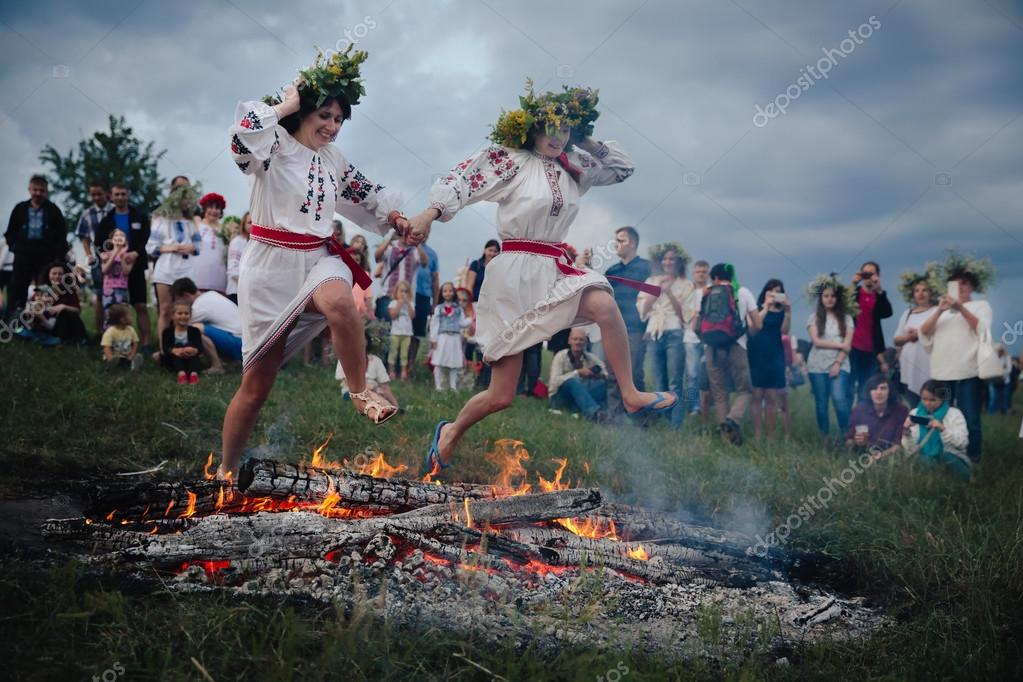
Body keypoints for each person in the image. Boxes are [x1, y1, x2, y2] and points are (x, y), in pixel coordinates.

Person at [407, 81, 676, 472]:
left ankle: (631, 394)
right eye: (551, 127)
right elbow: (462, 181)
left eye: (565, 129)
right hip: (513, 275)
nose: (557, 137)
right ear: (532, 127)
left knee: (603, 303)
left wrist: (584, 137)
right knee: (501, 395)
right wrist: (428, 215)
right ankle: (449, 431)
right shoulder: (509, 160)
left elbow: (623, 167)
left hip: (552, 268)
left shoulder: (573, 167)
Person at [218, 48, 409, 480]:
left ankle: (360, 392)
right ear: (304, 111)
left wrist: (396, 218)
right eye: (324, 114)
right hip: (269, 269)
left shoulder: (333, 160)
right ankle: (225, 472)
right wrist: (287, 103)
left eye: (339, 120)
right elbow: (241, 134)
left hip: (319, 257)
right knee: (255, 389)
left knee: (342, 305)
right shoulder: (272, 147)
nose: (332, 126)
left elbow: (365, 192)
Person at [918, 269, 993, 460]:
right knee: (939, 416)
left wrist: (960, 307)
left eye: (964, 283)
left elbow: (982, 330)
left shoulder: (980, 305)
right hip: (941, 373)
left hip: (968, 372)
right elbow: (924, 333)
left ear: (972, 286)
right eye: (955, 284)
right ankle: (941, 456)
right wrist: (940, 310)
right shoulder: (940, 310)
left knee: (970, 419)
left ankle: (972, 460)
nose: (960, 287)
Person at [699, 263, 761, 445]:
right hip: (737, 346)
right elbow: (757, 324)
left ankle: (726, 438)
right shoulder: (743, 292)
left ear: (715, 278)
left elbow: (697, 323)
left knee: (719, 392)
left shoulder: (706, 293)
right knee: (745, 389)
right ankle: (732, 419)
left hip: (711, 347)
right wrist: (746, 334)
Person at [636, 242, 693, 429]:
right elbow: (642, 311)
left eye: (672, 259)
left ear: (679, 262)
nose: (668, 262)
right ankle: (663, 422)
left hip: (675, 332)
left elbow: (684, 315)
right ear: (660, 261)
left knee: (675, 381)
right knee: (659, 381)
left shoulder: (686, 285)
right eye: (665, 259)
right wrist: (657, 291)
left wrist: (669, 292)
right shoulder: (651, 281)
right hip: (654, 332)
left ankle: (675, 426)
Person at [95, 183, 152, 348]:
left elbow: (146, 238)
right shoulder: (107, 220)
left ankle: (146, 342)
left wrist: (135, 253)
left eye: (123, 194)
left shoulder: (140, 216)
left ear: (128, 194)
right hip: (114, 272)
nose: (120, 197)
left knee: (140, 304)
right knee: (113, 307)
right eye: (117, 194)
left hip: (136, 265)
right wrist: (106, 255)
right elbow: (99, 244)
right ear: (111, 197)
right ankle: (110, 341)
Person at [147, 182, 202, 343]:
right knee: (165, 310)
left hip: (186, 269)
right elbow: (150, 247)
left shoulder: (191, 222)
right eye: (183, 199)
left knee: (185, 309)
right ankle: (165, 349)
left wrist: (191, 247)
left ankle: (186, 347)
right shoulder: (162, 221)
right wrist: (168, 248)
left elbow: (199, 245)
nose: (185, 202)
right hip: (166, 269)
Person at [5, 175, 67, 316]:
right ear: (29, 190)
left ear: (46, 191)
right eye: (35, 190)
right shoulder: (20, 208)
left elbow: (61, 236)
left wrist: (57, 258)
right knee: (17, 287)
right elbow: (10, 232)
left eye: (41, 190)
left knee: (44, 288)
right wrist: (14, 247)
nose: (38, 193)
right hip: (23, 253)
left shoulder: (53, 210)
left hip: (45, 255)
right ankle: (13, 319)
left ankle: (45, 320)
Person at [806, 275, 855, 439]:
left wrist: (837, 363)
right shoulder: (814, 318)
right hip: (817, 365)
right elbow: (816, 341)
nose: (829, 299)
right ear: (821, 298)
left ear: (837, 298)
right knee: (821, 403)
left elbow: (847, 345)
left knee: (840, 399)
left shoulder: (847, 319)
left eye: (833, 296)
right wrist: (840, 344)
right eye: (826, 296)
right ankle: (825, 436)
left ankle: (846, 434)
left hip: (839, 365)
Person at [607, 226, 651, 391]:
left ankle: (638, 414)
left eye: (621, 241)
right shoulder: (612, 271)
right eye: (616, 240)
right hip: (614, 330)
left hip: (636, 330)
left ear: (632, 243)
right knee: (613, 373)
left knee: (634, 373)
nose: (616, 244)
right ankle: (613, 415)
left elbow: (656, 299)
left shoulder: (647, 268)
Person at [900, 379, 971, 479]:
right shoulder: (915, 413)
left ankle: (966, 481)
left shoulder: (954, 414)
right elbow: (910, 450)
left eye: (932, 400)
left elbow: (963, 443)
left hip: (951, 456)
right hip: (923, 458)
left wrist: (943, 429)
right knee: (925, 461)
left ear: (942, 398)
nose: (928, 403)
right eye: (924, 399)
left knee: (946, 457)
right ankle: (934, 481)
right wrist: (906, 433)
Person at [748, 279, 791, 439]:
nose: (773, 294)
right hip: (756, 354)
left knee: (772, 397)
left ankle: (771, 435)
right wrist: (766, 306)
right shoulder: (756, 308)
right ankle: (757, 433)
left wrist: (788, 311)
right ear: (765, 292)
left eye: (777, 291)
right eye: (770, 290)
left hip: (775, 355)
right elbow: (754, 325)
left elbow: (785, 331)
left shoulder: (781, 312)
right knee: (757, 395)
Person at [171, 277, 240, 368]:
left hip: (238, 343)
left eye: (179, 300)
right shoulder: (211, 294)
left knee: (195, 329)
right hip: (243, 341)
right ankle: (230, 361)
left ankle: (217, 366)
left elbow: (180, 328)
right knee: (205, 327)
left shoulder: (199, 306)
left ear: (186, 295)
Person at [849, 262, 893, 403]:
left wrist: (879, 290)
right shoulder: (855, 294)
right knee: (848, 388)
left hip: (872, 350)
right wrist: (853, 284)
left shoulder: (878, 296)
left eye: (871, 273)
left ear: (877, 275)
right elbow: (842, 306)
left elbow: (887, 313)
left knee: (866, 389)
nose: (868, 277)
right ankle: (848, 422)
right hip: (853, 348)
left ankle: (864, 420)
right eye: (865, 273)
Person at [75, 180, 113, 334]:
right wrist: (89, 254)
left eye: (99, 194)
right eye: (93, 195)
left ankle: (117, 330)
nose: (96, 197)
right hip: (97, 259)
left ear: (106, 194)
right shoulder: (87, 213)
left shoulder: (114, 211)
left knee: (115, 294)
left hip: (115, 256)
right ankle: (100, 332)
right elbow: (83, 236)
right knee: (99, 294)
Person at [893, 275, 936, 406]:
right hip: (909, 366)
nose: (920, 294)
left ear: (931, 293)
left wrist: (918, 333)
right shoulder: (908, 313)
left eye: (924, 290)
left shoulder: (936, 311)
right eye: (917, 291)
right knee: (914, 404)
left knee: (930, 401)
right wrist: (909, 337)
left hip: (928, 364)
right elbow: (897, 339)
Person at [548, 327, 608, 421]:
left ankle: (586, 408)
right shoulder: (560, 356)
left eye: (581, 339)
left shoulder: (589, 357)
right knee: (572, 382)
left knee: (605, 383)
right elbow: (553, 382)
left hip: (578, 397)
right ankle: (594, 414)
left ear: (585, 342)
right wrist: (577, 373)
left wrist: (598, 375)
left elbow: (605, 372)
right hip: (559, 398)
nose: (578, 342)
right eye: (575, 339)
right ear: (569, 341)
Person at [847, 373, 908, 457]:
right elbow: (849, 441)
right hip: (863, 454)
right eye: (874, 389)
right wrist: (857, 442)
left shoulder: (901, 411)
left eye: (883, 388)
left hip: (890, 455)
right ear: (869, 392)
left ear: (889, 391)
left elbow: (899, 444)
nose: (878, 392)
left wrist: (880, 457)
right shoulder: (859, 410)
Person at [336, 325, 397, 407]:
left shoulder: (376, 360)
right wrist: (367, 389)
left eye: (362, 339)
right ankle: (386, 407)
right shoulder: (345, 359)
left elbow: (385, 386)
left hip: (374, 390)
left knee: (380, 393)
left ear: (367, 342)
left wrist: (395, 402)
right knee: (371, 395)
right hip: (352, 392)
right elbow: (347, 380)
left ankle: (393, 408)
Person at [430, 282, 471, 391]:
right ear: (441, 293)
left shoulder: (458, 309)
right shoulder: (439, 308)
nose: (448, 293)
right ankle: (438, 386)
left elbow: (461, 323)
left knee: (454, 362)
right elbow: (435, 324)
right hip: (443, 337)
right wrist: (433, 339)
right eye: (445, 291)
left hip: (455, 338)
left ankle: (453, 386)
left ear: (454, 293)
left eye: (450, 291)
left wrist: (470, 320)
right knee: (438, 361)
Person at [683, 259, 709, 416]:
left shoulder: (712, 290)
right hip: (690, 337)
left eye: (704, 272)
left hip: (708, 338)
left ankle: (707, 405)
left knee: (707, 374)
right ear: (693, 272)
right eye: (698, 272)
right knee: (691, 374)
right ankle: (692, 407)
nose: (701, 274)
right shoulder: (688, 290)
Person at [410, 241, 439, 372]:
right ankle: (396, 366)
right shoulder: (405, 247)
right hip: (406, 293)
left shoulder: (432, 253)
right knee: (401, 331)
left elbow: (435, 279)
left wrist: (434, 304)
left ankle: (409, 366)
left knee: (417, 334)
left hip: (423, 296)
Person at [99, 228, 136, 329]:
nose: (119, 237)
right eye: (116, 235)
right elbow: (105, 270)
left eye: (122, 236)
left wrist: (123, 255)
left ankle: (124, 339)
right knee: (108, 314)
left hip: (122, 290)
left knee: (123, 315)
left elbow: (125, 272)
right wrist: (115, 252)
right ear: (111, 240)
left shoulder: (129, 256)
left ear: (126, 240)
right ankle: (108, 341)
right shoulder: (105, 255)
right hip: (108, 290)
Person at [192, 193, 228, 293]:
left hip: (219, 277)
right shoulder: (196, 226)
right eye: (210, 207)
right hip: (198, 275)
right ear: (204, 209)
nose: (213, 211)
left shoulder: (225, 230)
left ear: (221, 212)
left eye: (217, 208)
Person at [161, 301, 203, 385]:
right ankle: (181, 374)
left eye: (186, 313)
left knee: (190, 345)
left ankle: (193, 374)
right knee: (178, 345)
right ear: (173, 316)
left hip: (191, 358)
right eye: (179, 313)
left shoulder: (195, 331)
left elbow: (200, 348)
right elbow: (165, 348)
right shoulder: (167, 332)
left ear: (190, 316)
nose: (183, 316)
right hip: (174, 360)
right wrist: (174, 351)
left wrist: (194, 350)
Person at [387, 280, 415, 380]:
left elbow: (412, 316)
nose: (403, 294)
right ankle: (391, 371)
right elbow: (393, 315)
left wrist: (407, 304)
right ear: (396, 292)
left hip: (407, 333)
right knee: (393, 352)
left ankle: (403, 371)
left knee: (404, 354)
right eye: (401, 291)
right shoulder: (393, 303)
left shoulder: (411, 304)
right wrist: (399, 304)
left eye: (406, 291)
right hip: (395, 333)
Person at [101, 303, 143, 369]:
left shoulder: (131, 330)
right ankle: (113, 364)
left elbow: (135, 343)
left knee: (133, 358)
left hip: (127, 356)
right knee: (116, 360)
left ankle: (132, 364)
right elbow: (106, 347)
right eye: (129, 315)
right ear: (122, 319)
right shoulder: (110, 332)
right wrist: (110, 358)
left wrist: (132, 354)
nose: (132, 317)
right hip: (114, 356)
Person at [226, 211, 251, 304]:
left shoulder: (255, 244)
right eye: (249, 222)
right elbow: (232, 269)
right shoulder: (237, 242)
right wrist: (245, 286)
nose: (253, 225)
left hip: (250, 293)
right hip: (236, 291)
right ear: (243, 224)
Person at [347, 234, 374, 318]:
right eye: (357, 242)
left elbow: (368, 297)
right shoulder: (342, 272)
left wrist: (371, 315)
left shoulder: (365, 273)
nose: (360, 245)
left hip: (360, 314)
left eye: (362, 243)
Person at [466, 239, 500, 304]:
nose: (492, 253)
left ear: (498, 253)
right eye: (490, 250)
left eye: (495, 251)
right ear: (485, 250)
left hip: (492, 304)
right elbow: (469, 286)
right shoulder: (475, 265)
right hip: (476, 302)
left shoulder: (499, 268)